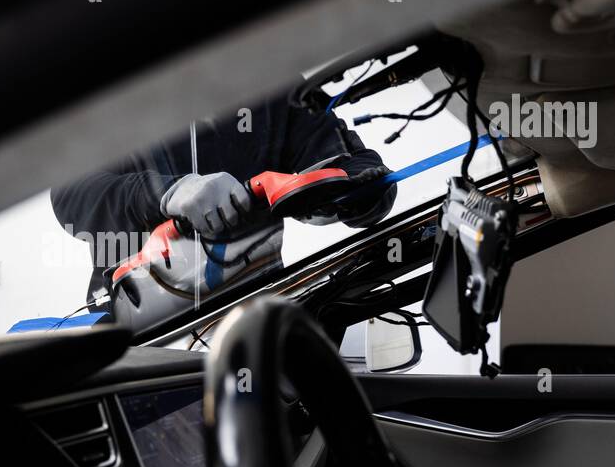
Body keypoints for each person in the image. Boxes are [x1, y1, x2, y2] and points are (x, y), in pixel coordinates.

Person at [51, 82, 396, 306]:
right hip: (139, 331)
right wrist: (169, 193)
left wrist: (354, 195)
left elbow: (355, 166)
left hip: (256, 319)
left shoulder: (271, 84)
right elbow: (70, 194)